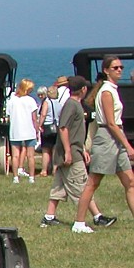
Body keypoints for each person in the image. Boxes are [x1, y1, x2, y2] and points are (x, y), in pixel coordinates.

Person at [73, 56, 134, 233]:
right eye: (115, 68)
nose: (119, 70)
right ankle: (79, 222)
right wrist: (128, 146)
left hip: (116, 135)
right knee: (93, 182)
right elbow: (111, 123)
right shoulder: (106, 91)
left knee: (130, 181)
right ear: (107, 71)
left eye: (121, 67)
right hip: (108, 137)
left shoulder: (113, 89)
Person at [40, 76, 91, 227]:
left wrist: (82, 148)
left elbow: (76, 132)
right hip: (71, 153)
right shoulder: (72, 105)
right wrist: (69, 151)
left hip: (75, 149)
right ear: (83, 89)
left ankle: (49, 217)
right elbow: (63, 128)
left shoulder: (75, 104)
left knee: (59, 187)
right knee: (83, 187)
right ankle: (94, 217)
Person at [5, 78, 40, 182]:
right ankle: (31, 177)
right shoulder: (30, 101)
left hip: (15, 130)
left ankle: (16, 177)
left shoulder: (12, 101)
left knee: (15, 155)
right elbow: (34, 118)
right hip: (29, 130)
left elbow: (9, 116)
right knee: (30, 156)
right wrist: (37, 129)